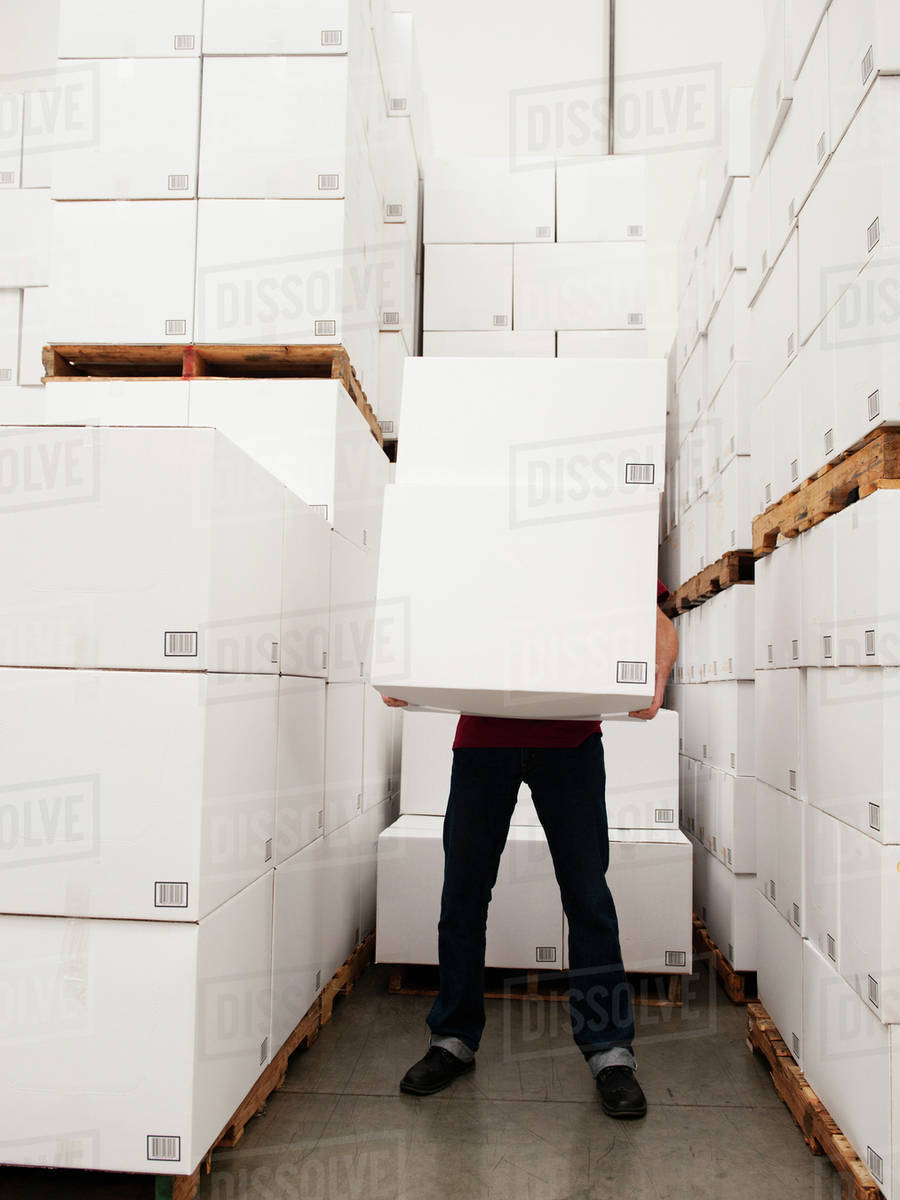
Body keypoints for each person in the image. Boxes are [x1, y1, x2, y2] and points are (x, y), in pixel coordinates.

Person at [382, 580, 678, 1119]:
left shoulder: (591, 529)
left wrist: (658, 669)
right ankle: (452, 1037)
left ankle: (610, 1052)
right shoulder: (480, 532)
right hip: (482, 742)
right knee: (463, 895)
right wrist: (399, 666)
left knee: (588, 896)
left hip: (571, 740)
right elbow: (426, 597)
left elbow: (649, 609)